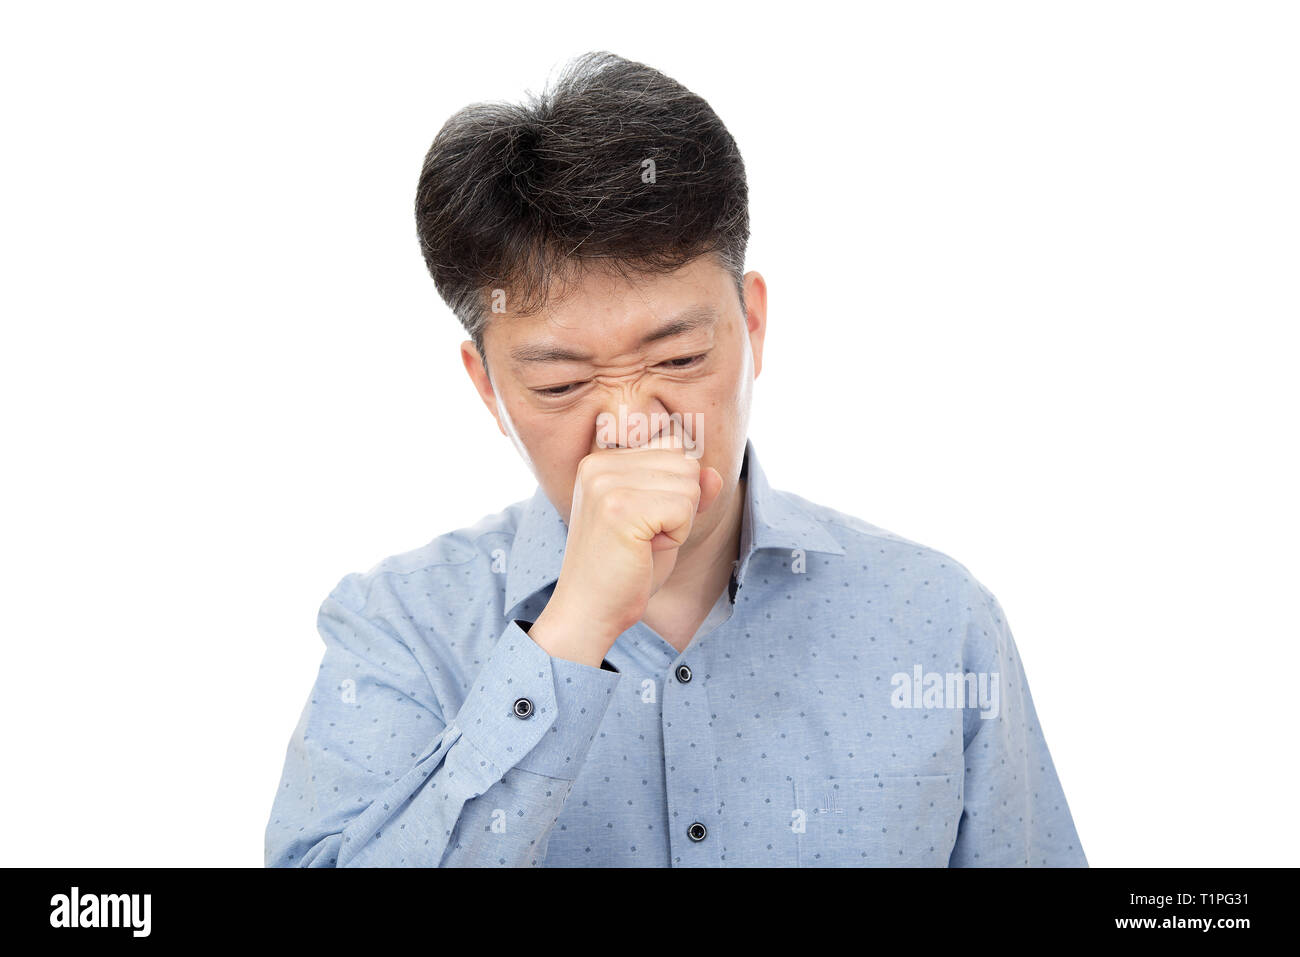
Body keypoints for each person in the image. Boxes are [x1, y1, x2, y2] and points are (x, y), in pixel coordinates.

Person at [264, 50, 1086, 867]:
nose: (632, 425)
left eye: (679, 358)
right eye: (561, 383)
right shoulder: (399, 630)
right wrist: (568, 632)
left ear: (752, 326)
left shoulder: (937, 618)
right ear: (488, 387)